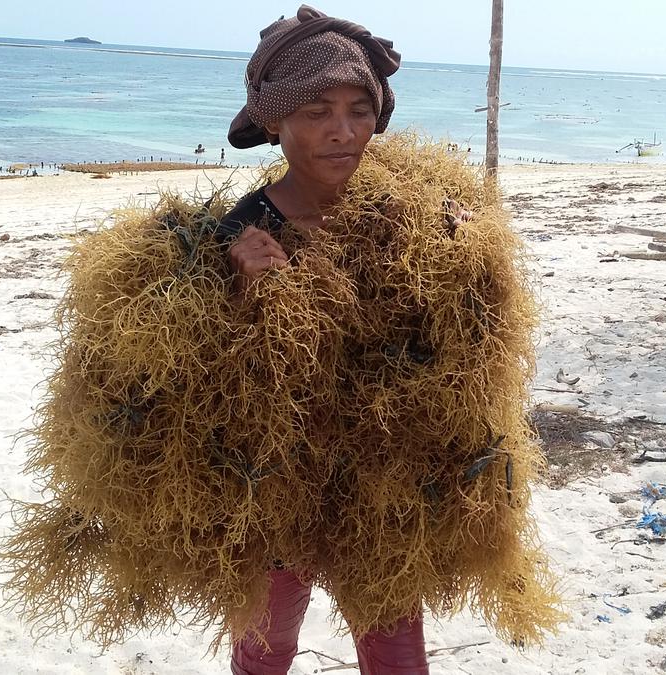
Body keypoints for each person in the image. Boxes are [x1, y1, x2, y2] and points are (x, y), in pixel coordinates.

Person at [218, 7, 431, 675]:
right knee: (266, 645)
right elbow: (208, 379)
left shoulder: (406, 216)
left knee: (397, 652)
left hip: (380, 479)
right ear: (276, 121)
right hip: (279, 484)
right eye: (317, 112)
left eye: (358, 109)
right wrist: (245, 293)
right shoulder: (242, 230)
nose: (343, 133)